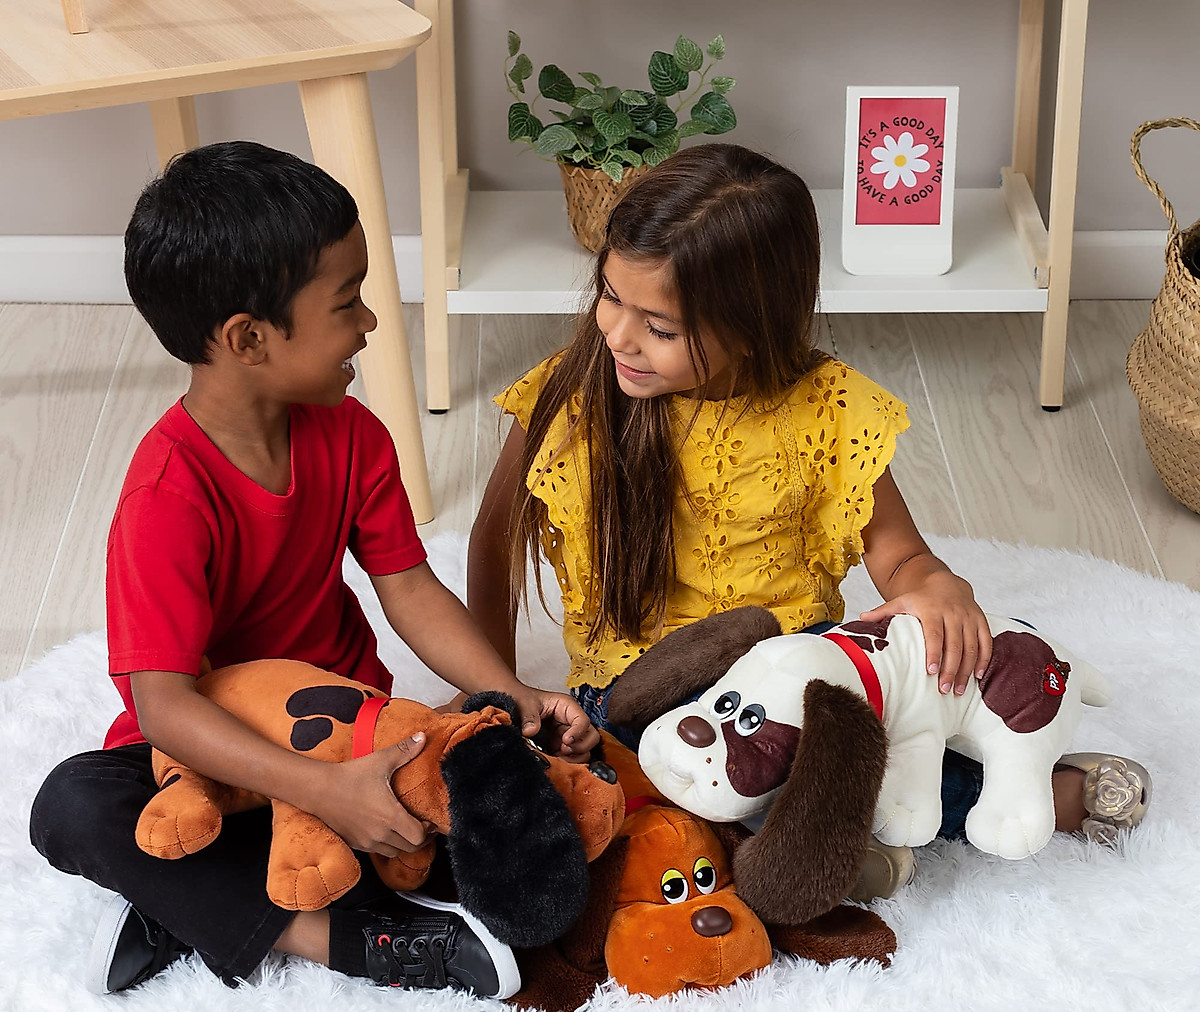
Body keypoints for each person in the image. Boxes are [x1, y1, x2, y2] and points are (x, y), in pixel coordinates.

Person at [468, 143, 1151, 898]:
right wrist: (500, 694)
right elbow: (492, 543)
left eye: (659, 326)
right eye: (610, 296)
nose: (618, 335)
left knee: (858, 752)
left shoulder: (827, 411)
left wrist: (935, 583)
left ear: (752, 325)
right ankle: (823, 844)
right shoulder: (569, 392)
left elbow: (897, 553)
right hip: (635, 697)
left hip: (784, 688)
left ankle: (1052, 792)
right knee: (606, 789)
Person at [29, 141, 598, 1000]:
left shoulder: (353, 434)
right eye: (348, 303)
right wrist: (325, 794)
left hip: (346, 728)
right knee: (70, 805)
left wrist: (508, 691)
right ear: (249, 339)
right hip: (211, 758)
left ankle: (188, 902)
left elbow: (407, 584)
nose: (370, 323)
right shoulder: (165, 496)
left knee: (487, 760)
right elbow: (164, 705)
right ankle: (348, 939)